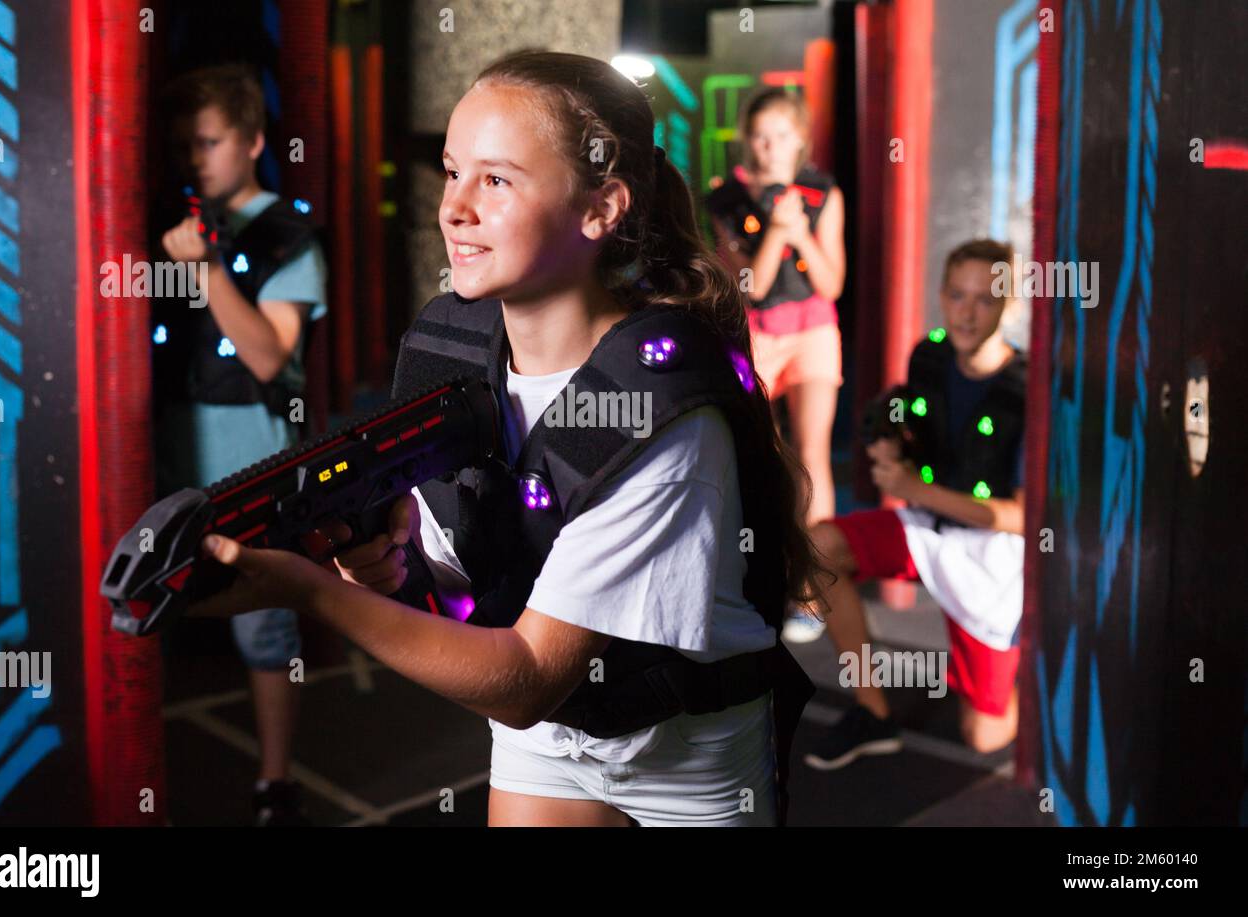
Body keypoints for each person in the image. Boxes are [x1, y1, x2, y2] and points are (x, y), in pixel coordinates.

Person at [188, 50, 830, 827]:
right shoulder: (447, 351)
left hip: (686, 749)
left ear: (601, 207)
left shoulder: (658, 411)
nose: (453, 206)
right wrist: (387, 572)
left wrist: (306, 588)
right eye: (454, 172)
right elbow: (466, 591)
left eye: (496, 180)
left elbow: (526, 675)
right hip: (551, 735)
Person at [153, 64, 328, 825]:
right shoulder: (173, 227)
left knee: (265, 621)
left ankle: (275, 782)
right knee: (151, 599)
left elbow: (266, 355)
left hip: (253, 454)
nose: (195, 158)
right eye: (184, 145)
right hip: (174, 447)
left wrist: (209, 270)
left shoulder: (289, 236)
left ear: (253, 140)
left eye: (210, 141)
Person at [803, 239, 1026, 770]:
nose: (968, 312)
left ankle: (1028, 672)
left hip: (991, 554)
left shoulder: (1025, 387)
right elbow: (916, 431)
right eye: (957, 296)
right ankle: (872, 712)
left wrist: (915, 488)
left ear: (1008, 305)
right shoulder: (929, 355)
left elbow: (1019, 518)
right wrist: (890, 442)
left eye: (984, 299)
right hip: (926, 526)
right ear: (943, 297)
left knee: (985, 737)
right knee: (818, 548)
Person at [705, 88, 846, 644]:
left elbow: (832, 282)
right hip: (757, 335)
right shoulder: (725, 199)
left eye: (781, 135)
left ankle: (811, 590)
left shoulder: (824, 192)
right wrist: (779, 232)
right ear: (747, 139)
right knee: (760, 455)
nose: (769, 146)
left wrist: (801, 229)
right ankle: (754, 580)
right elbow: (752, 286)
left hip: (812, 328)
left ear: (800, 139)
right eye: (759, 135)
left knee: (812, 452)